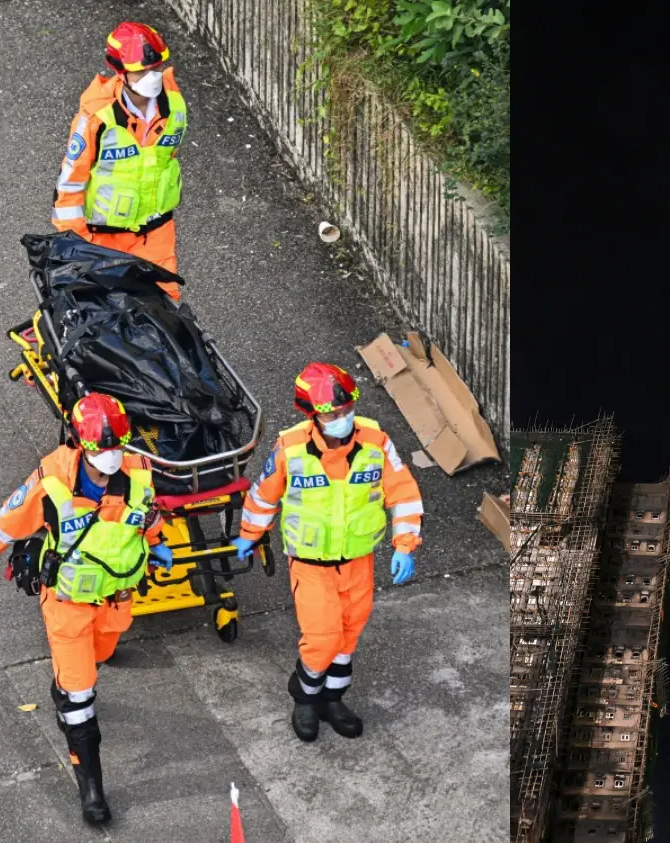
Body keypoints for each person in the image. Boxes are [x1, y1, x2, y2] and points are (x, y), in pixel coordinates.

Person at [0, 394, 174, 824]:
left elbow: (146, 516)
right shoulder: (50, 481)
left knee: (102, 653)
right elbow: (3, 524)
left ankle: (75, 684)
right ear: (80, 444)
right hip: (69, 602)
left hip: (118, 599)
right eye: (101, 448)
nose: (111, 456)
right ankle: (92, 787)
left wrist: (158, 542)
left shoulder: (139, 472)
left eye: (117, 447)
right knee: (80, 691)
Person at [231, 363, 424, 742]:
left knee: (348, 636)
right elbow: (263, 496)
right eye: (332, 414)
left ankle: (332, 700)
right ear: (312, 415)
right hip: (311, 566)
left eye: (346, 410)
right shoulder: (290, 449)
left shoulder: (375, 441)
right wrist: (250, 534)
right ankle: (304, 698)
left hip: (357, 561)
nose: (342, 419)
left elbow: (403, 493)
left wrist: (405, 545)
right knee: (322, 637)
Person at [52, 22, 188, 303]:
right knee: (107, 318)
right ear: (121, 72)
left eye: (156, 68)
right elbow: (70, 186)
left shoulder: (174, 106)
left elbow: (166, 161)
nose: (152, 76)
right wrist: (78, 244)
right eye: (142, 70)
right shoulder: (96, 119)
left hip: (156, 234)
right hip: (102, 239)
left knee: (165, 310)